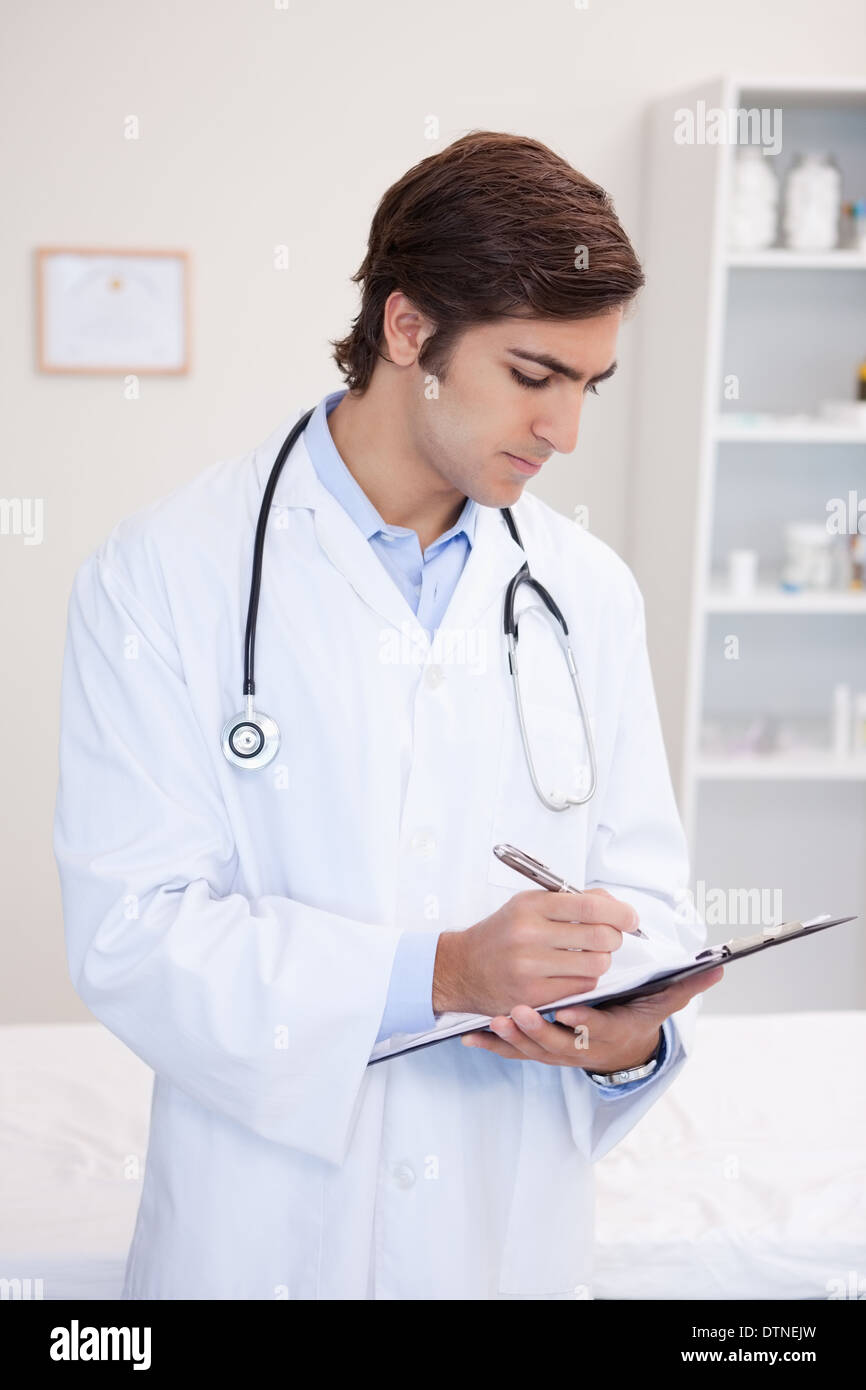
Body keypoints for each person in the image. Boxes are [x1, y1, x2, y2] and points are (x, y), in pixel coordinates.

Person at [53, 129, 723, 1301]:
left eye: (586, 386)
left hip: (501, 1236)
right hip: (259, 1242)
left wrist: (628, 1040)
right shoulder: (163, 574)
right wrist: (445, 971)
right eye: (532, 375)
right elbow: (134, 934)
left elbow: (646, 900)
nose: (563, 431)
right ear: (407, 331)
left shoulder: (584, 592)